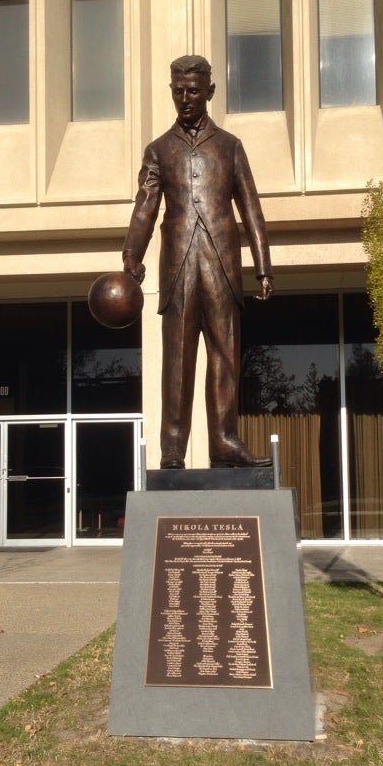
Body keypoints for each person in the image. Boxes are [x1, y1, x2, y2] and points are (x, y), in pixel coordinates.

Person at [123, 55, 274, 469]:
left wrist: (263, 263)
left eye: (193, 91)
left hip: (222, 264)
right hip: (178, 267)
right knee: (178, 357)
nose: (185, 99)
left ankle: (225, 442)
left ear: (209, 92)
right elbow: (144, 208)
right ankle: (172, 446)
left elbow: (251, 208)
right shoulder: (159, 149)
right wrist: (131, 256)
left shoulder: (230, 147)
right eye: (178, 91)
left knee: (225, 354)